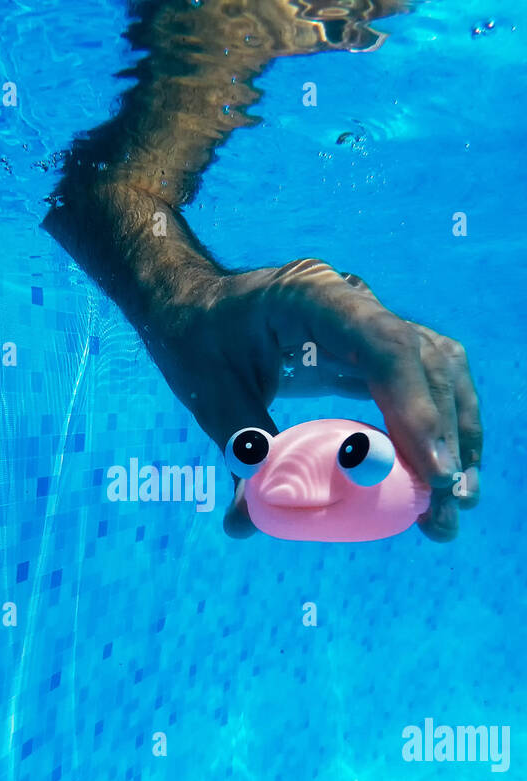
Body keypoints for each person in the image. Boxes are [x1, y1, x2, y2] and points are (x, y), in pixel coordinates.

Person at [43, 0, 481, 541]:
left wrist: (189, 308)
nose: (370, 32)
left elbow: (97, 192)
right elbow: (94, 191)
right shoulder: (232, 21)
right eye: (356, 14)